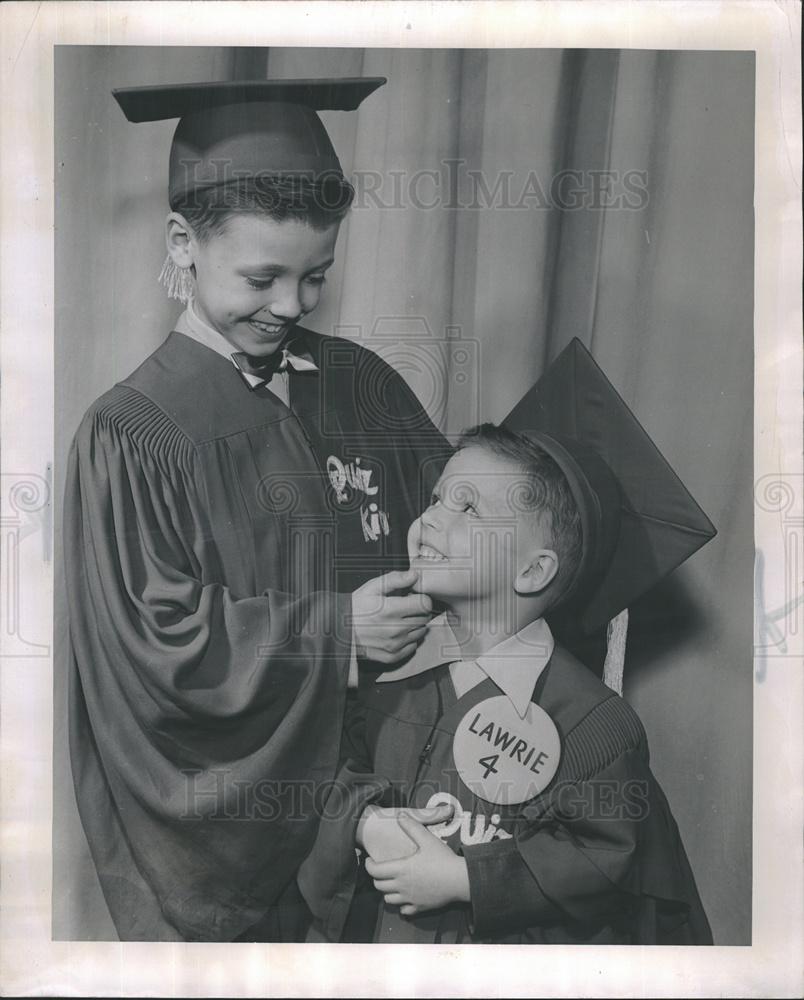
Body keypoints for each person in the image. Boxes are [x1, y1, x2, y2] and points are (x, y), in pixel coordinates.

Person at [63, 78, 450, 942]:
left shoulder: (361, 382)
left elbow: (455, 533)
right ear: (183, 243)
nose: (291, 306)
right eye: (262, 277)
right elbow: (158, 653)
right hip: (260, 846)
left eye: (316, 277)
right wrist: (337, 633)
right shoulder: (133, 435)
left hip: (417, 801)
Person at [299, 338, 717, 945]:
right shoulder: (389, 669)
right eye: (437, 498)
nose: (431, 517)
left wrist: (467, 880)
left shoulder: (593, 723)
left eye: (468, 509)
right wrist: (365, 821)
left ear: (532, 571)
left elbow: (605, 858)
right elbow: (326, 775)